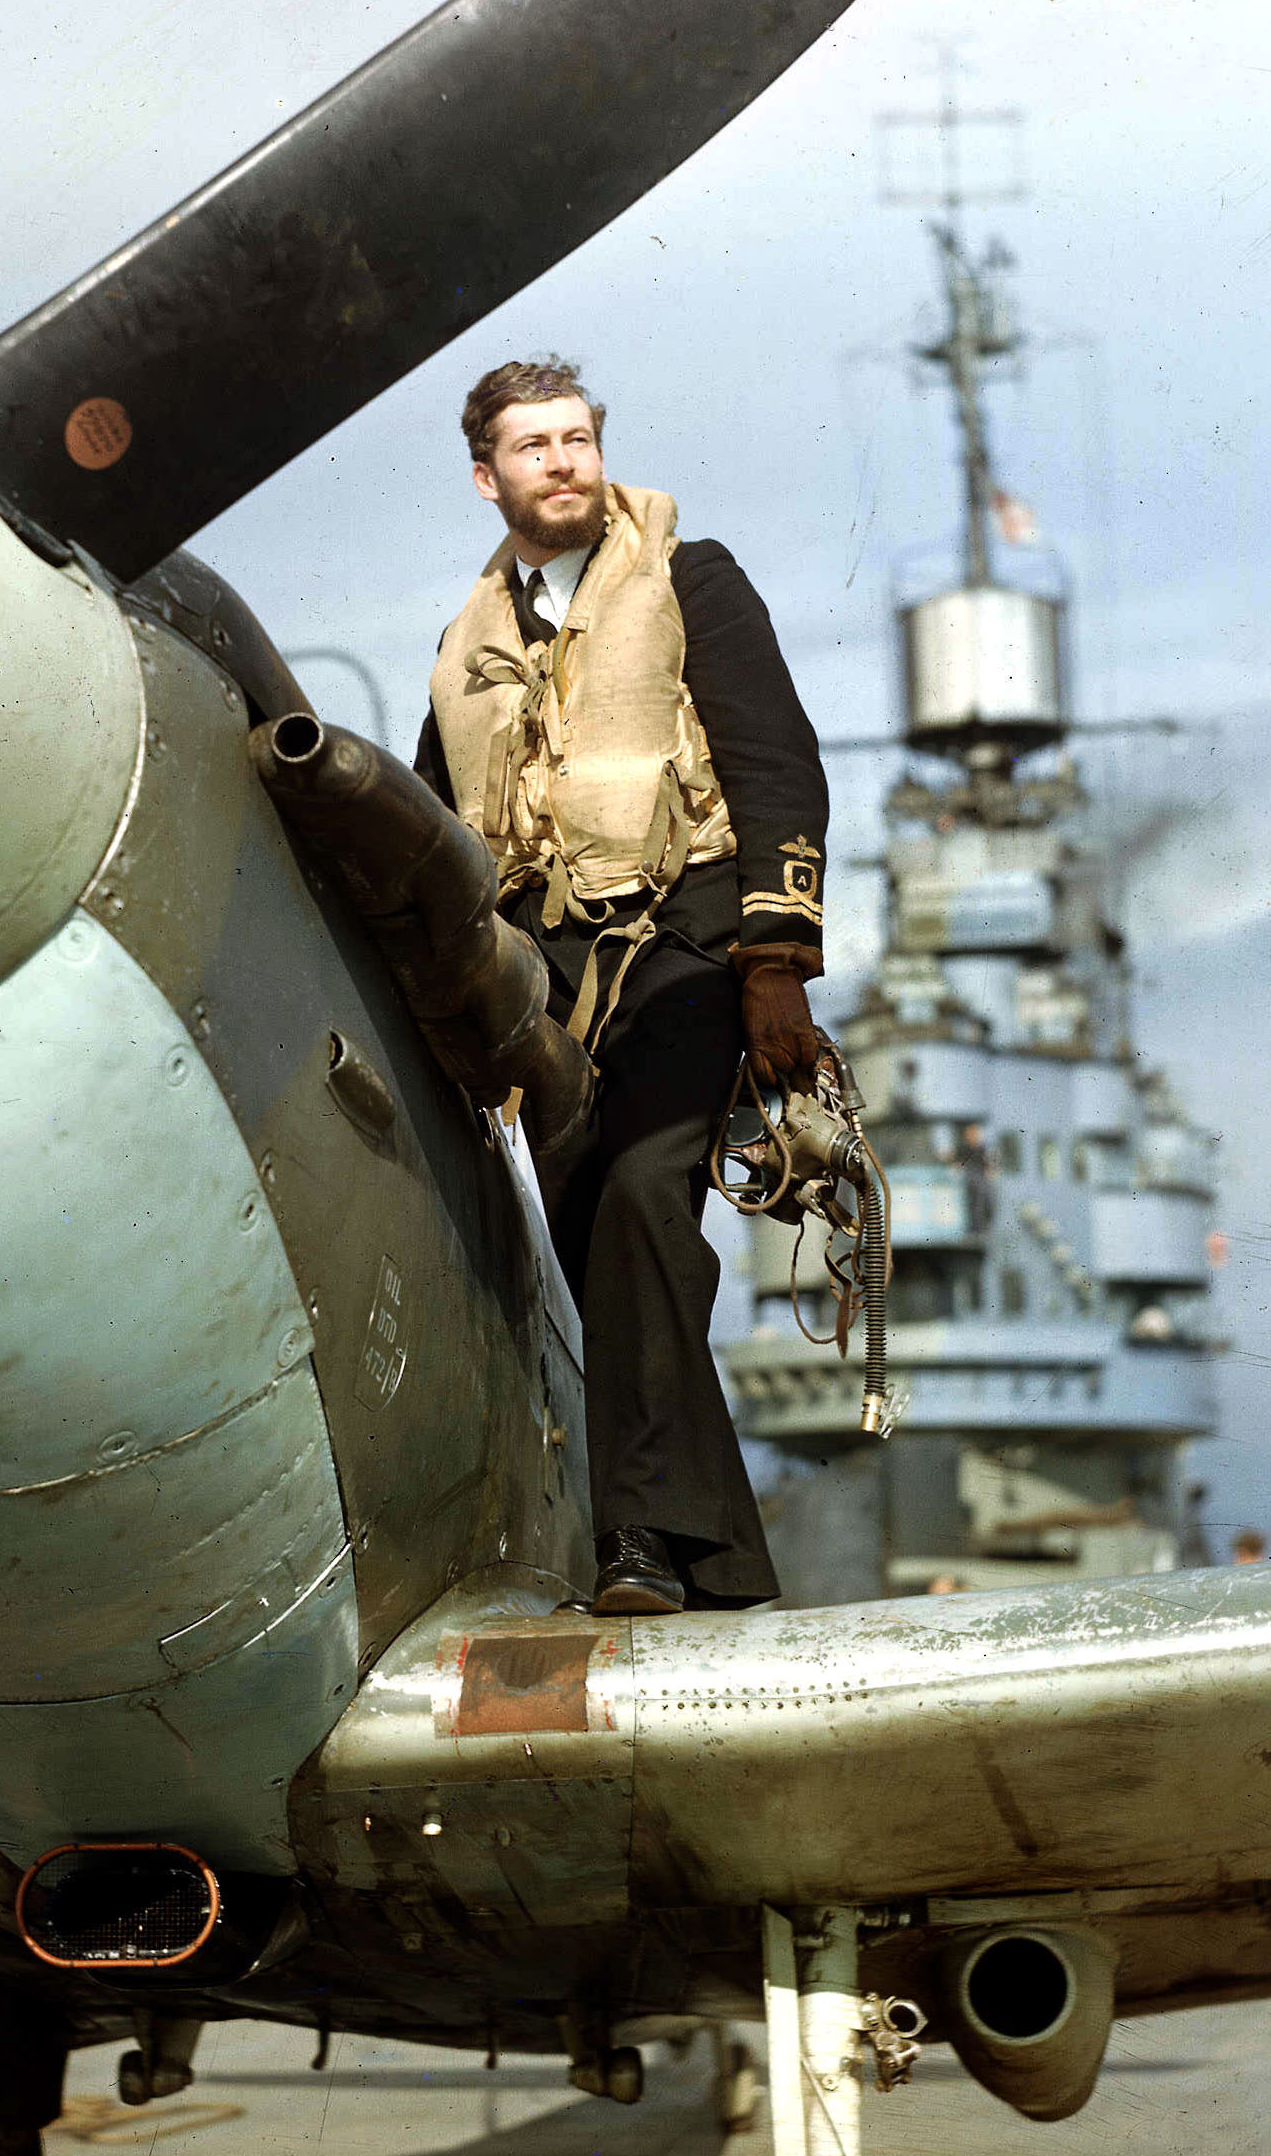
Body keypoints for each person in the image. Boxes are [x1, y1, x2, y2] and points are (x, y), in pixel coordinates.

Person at [415, 358, 829, 1615]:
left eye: (578, 438)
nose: (564, 461)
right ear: (487, 477)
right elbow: (439, 829)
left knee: (649, 1194)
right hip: (544, 986)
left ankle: (636, 1542)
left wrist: (775, 967)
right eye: (534, 445)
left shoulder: (693, 578)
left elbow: (775, 759)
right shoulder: (466, 646)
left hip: (692, 943)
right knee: (606, 1243)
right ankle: (724, 1568)